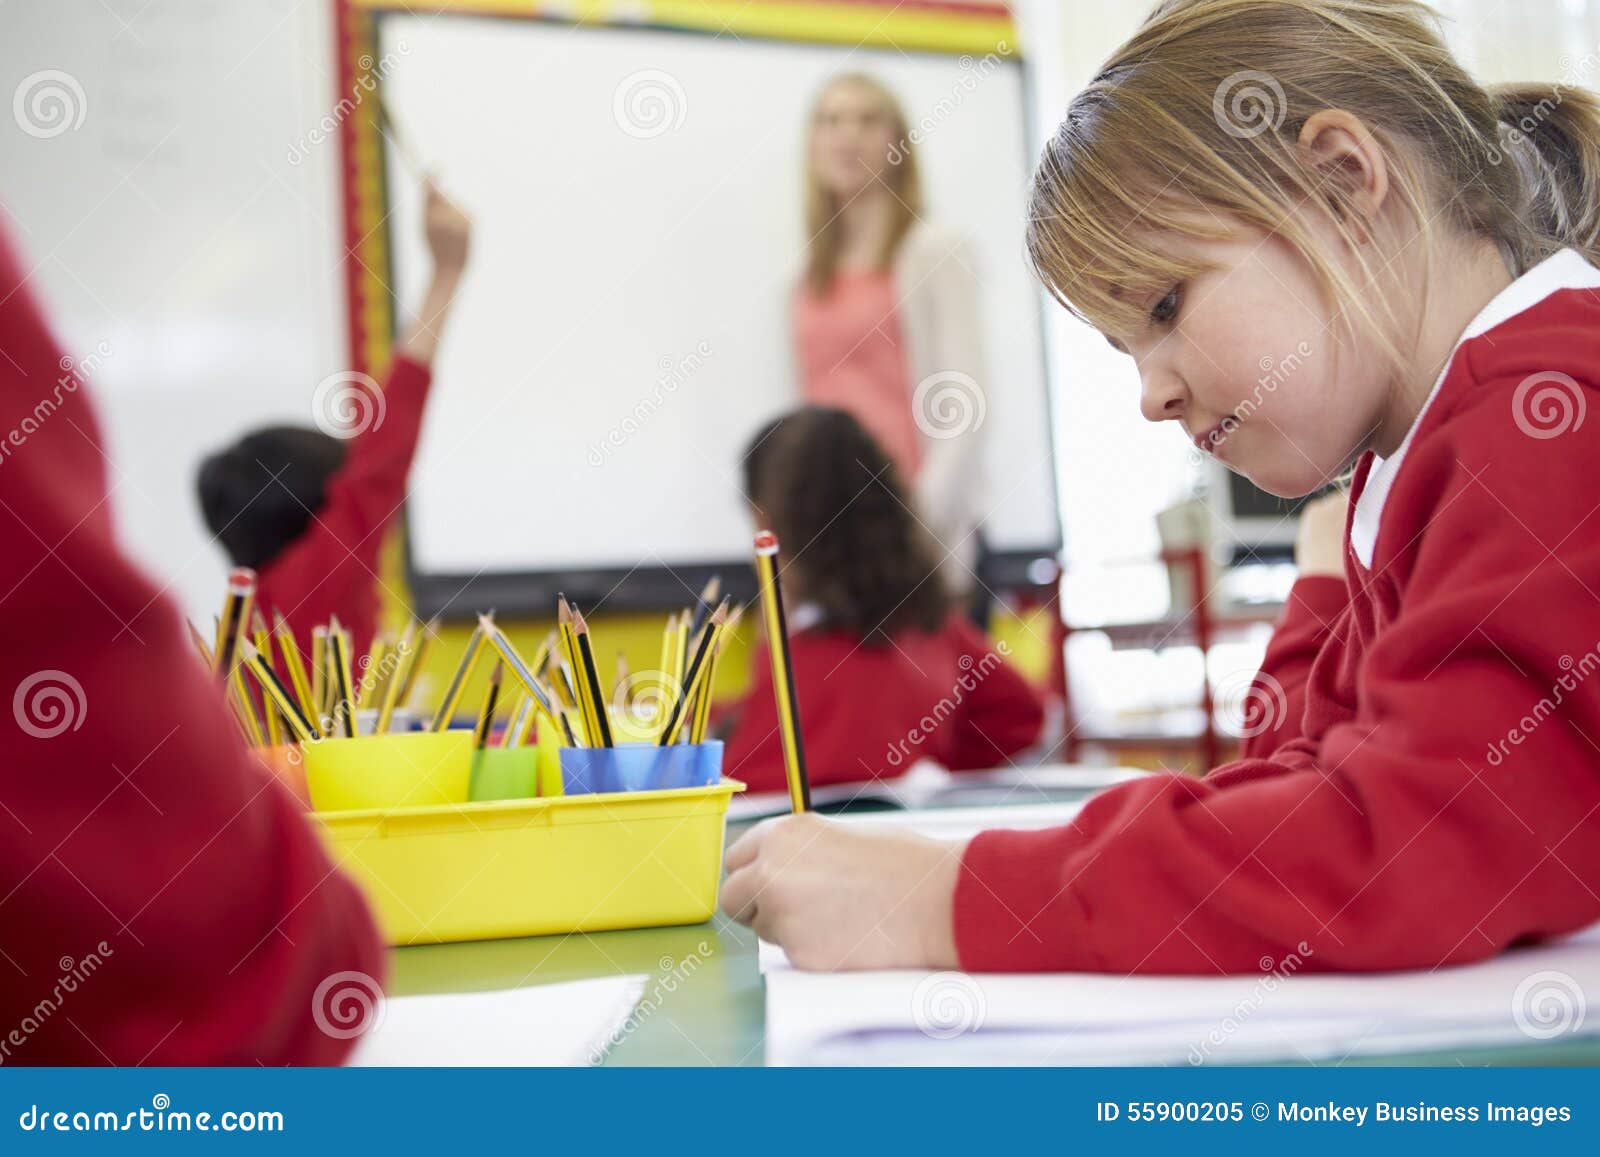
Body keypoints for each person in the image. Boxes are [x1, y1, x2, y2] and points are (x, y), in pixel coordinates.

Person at [721, 0, 1600, 973]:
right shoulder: (1421, 455)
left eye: (1166, 305)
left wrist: (948, 899)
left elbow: (1408, 843)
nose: (1151, 393)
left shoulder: (1550, 410)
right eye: (1125, 348)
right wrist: (1318, 601)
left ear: (1346, 182)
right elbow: (1293, 789)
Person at [0, 221, 383, 1063]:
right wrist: (443, 286)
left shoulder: (252, 602)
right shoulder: (328, 569)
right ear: (328, 507)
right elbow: (385, 462)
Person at [197, 178, 470, 659]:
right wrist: (446, 273)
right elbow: (380, 460)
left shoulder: (254, 609)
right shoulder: (312, 582)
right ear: (312, 508)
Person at [721, 407, 1043, 792]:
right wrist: (928, 762)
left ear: (766, 524)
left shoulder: (807, 669)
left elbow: (738, 782)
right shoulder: (935, 630)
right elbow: (1020, 715)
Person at [793, 73, 988, 605]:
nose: (847, 135)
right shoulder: (806, 278)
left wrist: (913, 532)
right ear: (812, 145)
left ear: (897, 143)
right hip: (829, 544)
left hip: (915, 536)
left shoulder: (934, 253)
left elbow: (964, 408)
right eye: (831, 120)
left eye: (867, 119)